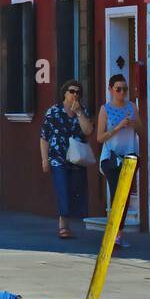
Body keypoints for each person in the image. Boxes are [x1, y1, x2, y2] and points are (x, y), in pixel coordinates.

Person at [40, 79, 94, 240]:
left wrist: (79, 113)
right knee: (62, 189)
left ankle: (67, 221)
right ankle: (63, 225)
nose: (75, 94)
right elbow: (44, 137)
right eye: (71, 91)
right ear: (64, 93)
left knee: (74, 190)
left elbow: (89, 131)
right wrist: (44, 159)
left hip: (76, 159)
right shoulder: (53, 112)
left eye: (78, 92)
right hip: (58, 158)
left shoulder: (83, 111)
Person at [96, 73, 143, 249]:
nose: (122, 93)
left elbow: (142, 131)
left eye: (124, 89)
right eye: (118, 89)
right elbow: (100, 137)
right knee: (117, 195)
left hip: (130, 157)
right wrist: (117, 127)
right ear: (110, 90)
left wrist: (134, 124)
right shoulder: (105, 109)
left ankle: (118, 234)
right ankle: (114, 233)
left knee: (124, 197)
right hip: (111, 158)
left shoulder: (132, 107)